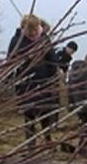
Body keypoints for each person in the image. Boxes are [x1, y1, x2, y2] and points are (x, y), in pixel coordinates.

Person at [8, 14, 61, 144]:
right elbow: (10, 61)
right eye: (30, 31)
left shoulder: (44, 39)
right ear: (24, 29)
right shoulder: (17, 40)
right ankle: (31, 144)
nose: (33, 34)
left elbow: (52, 60)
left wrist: (52, 78)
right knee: (29, 116)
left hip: (43, 82)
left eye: (35, 30)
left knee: (45, 113)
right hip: (25, 83)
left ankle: (47, 141)